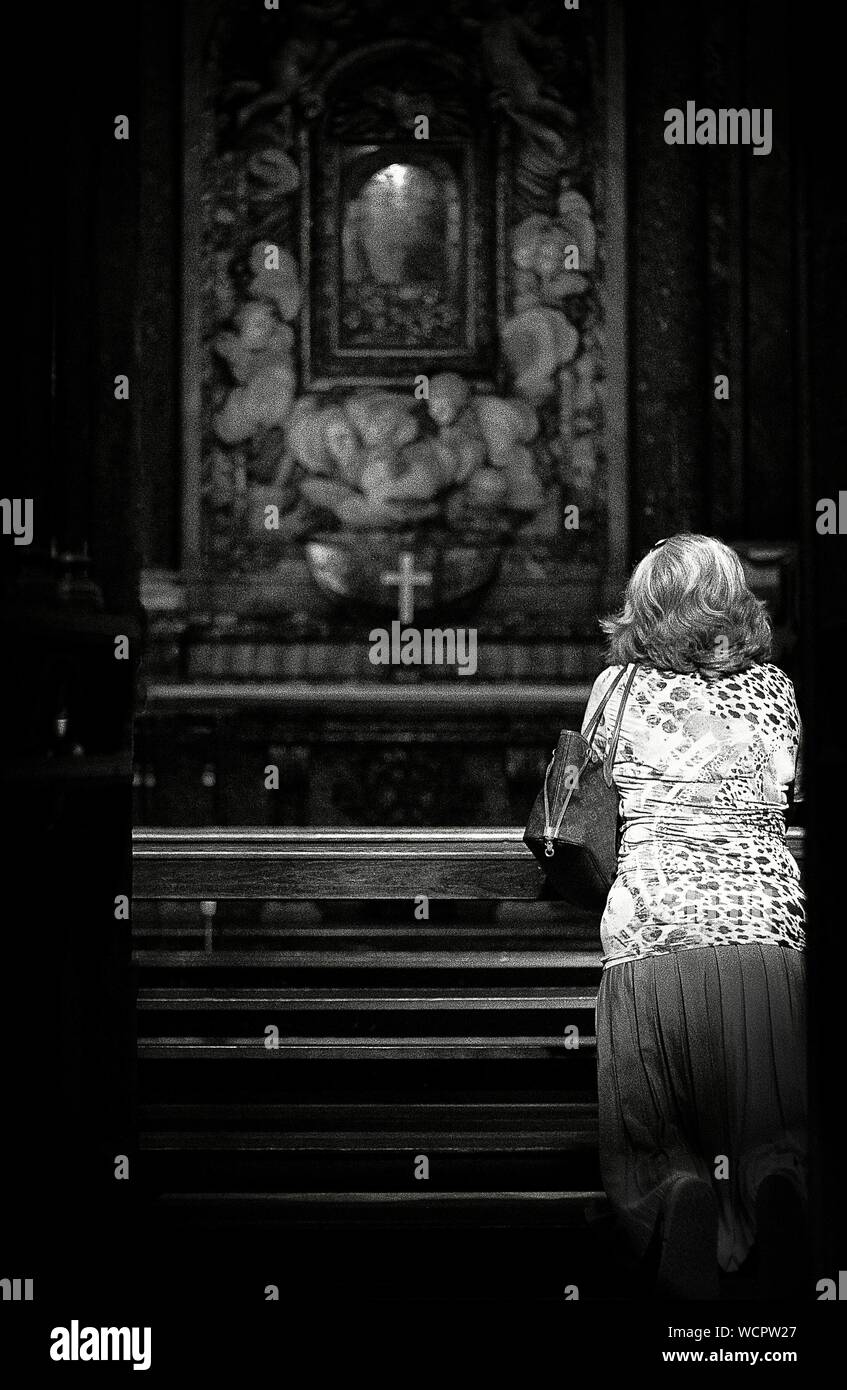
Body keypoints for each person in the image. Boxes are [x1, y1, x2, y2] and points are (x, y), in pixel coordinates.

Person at [583, 534, 806, 1299]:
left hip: (655, 937)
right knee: (775, 1126)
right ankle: (778, 1189)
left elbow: (591, 796)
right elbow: (785, 788)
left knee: (651, 1138)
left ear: (643, 606)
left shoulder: (616, 689)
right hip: (766, 939)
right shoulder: (774, 689)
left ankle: (671, 1200)